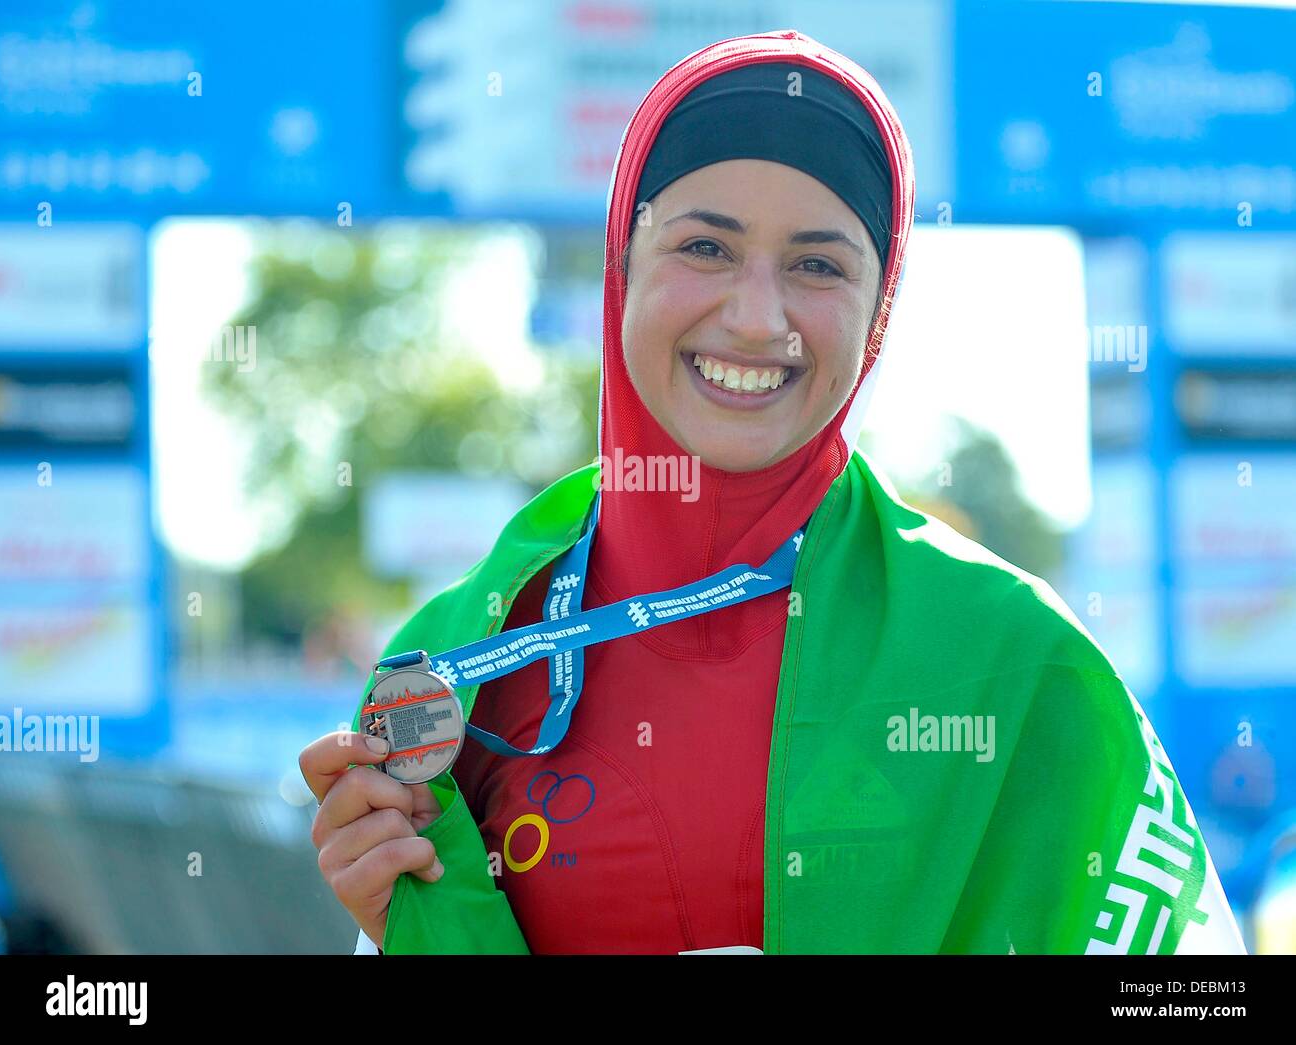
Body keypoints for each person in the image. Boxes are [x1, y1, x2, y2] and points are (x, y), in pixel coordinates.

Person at [300, 29, 1246, 955]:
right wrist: (412, 926)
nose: (756, 319)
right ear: (622, 266)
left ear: (879, 315)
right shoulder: (462, 662)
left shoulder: (1015, 660)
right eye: (705, 249)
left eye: (818, 265)